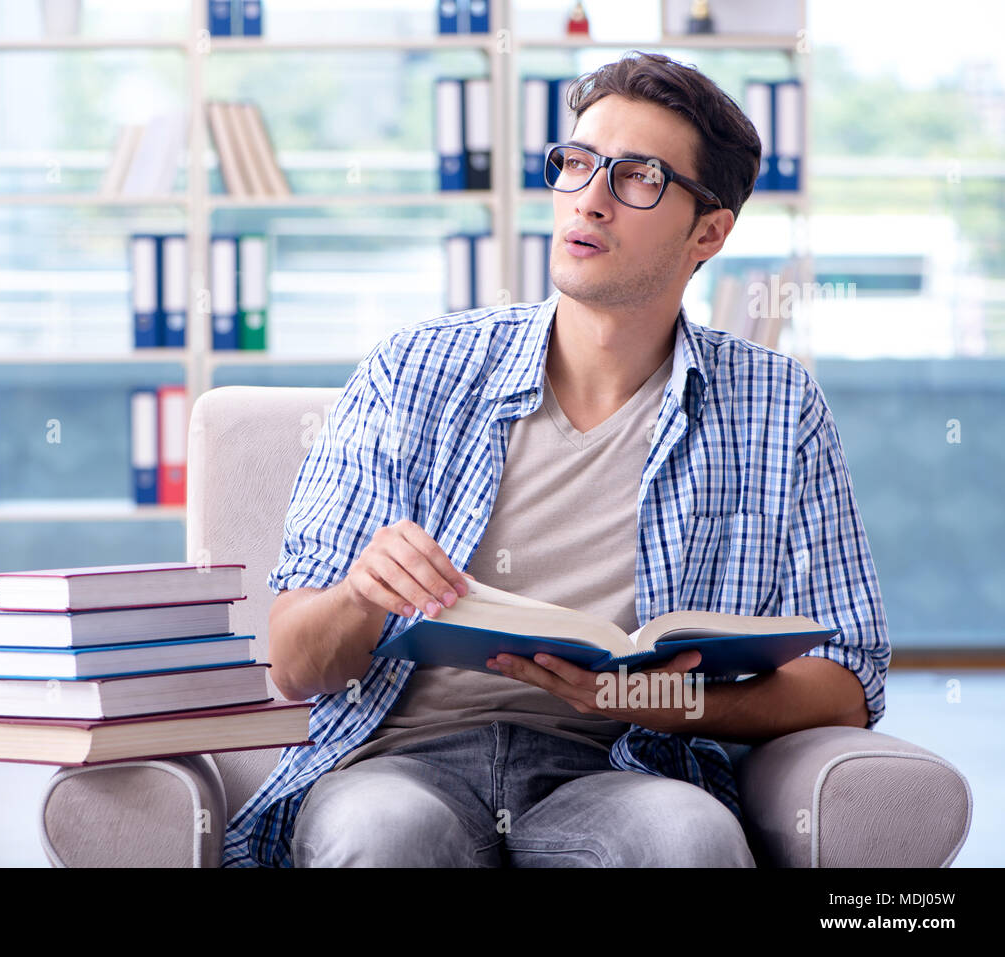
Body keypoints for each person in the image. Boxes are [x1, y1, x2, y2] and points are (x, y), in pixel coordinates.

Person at [222, 51, 891, 868]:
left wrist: (657, 700)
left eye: (637, 176)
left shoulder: (776, 405)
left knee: (690, 838)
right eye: (577, 164)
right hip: (400, 760)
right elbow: (294, 662)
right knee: (382, 833)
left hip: (624, 764)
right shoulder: (413, 371)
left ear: (709, 231)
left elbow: (849, 683)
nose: (591, 200)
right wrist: (362, 594)